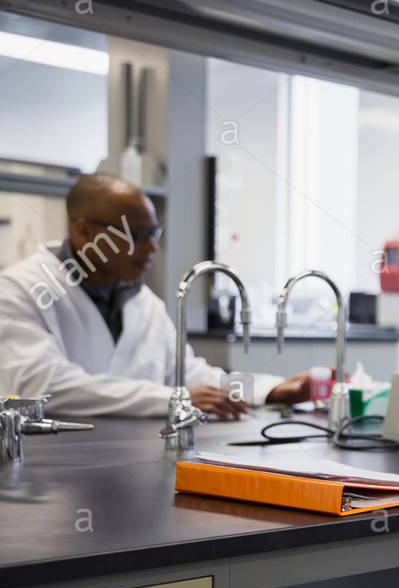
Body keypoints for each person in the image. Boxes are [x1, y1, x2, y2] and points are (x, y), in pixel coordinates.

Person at [0, 173, 310, 418]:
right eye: (135, 235)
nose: (151, 248)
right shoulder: (18, 290)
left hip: (133, 458)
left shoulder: (143, 301)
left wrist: (269, 389)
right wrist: (172, 400)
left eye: (154, 233)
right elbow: (45, 386)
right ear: (84, 231)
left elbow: (189, 374)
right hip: (48, 467)